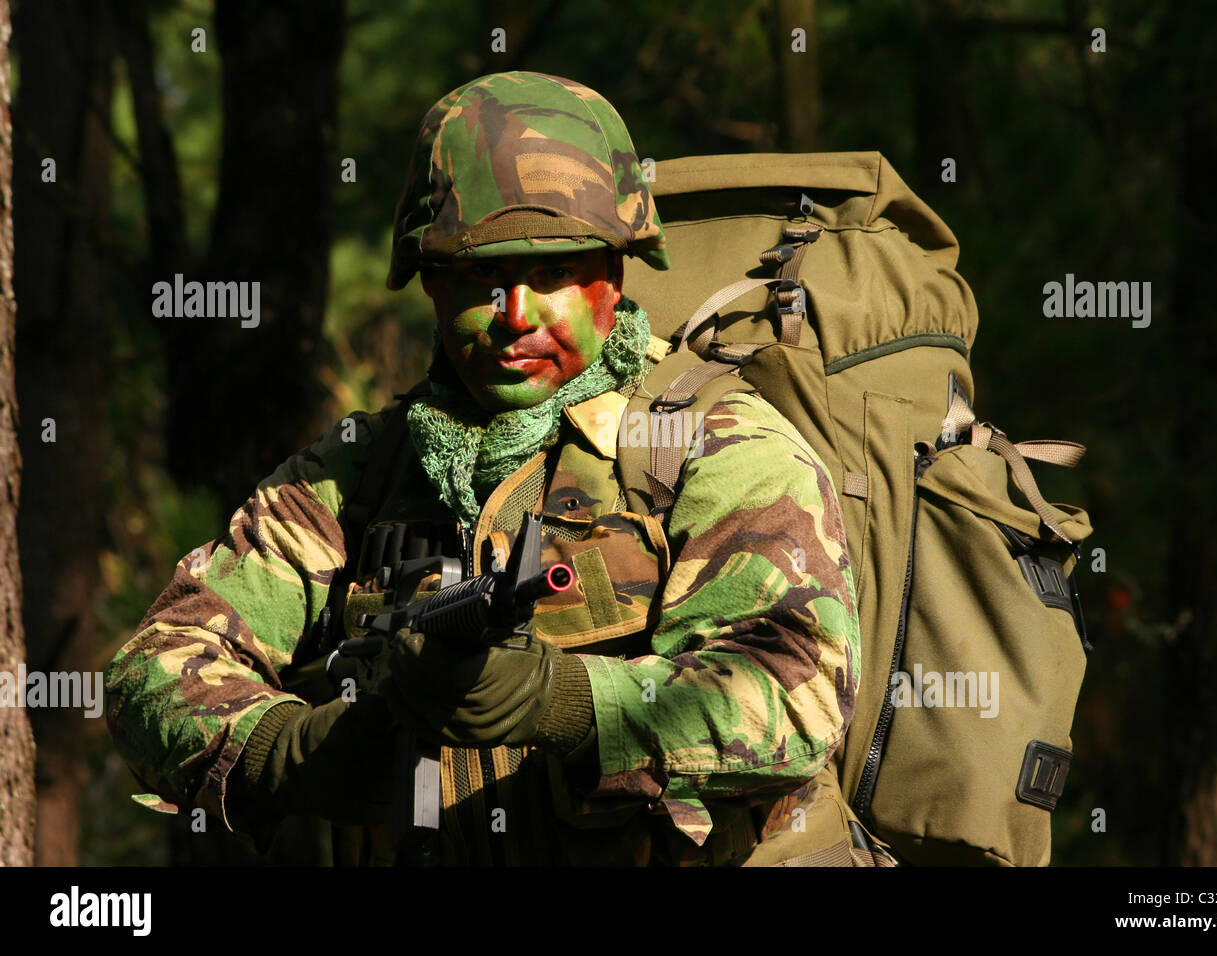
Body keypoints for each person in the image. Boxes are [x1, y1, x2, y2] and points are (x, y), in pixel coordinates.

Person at [106, 71, 861, 866]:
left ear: (614, 276)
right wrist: (296, 749)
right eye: (480, 275)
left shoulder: (711, 444)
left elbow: (797, 690)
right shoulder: (360, 471)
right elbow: (152, 671)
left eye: (554, 274)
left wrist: (567, 704)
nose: (516, 316)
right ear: (430, 281)